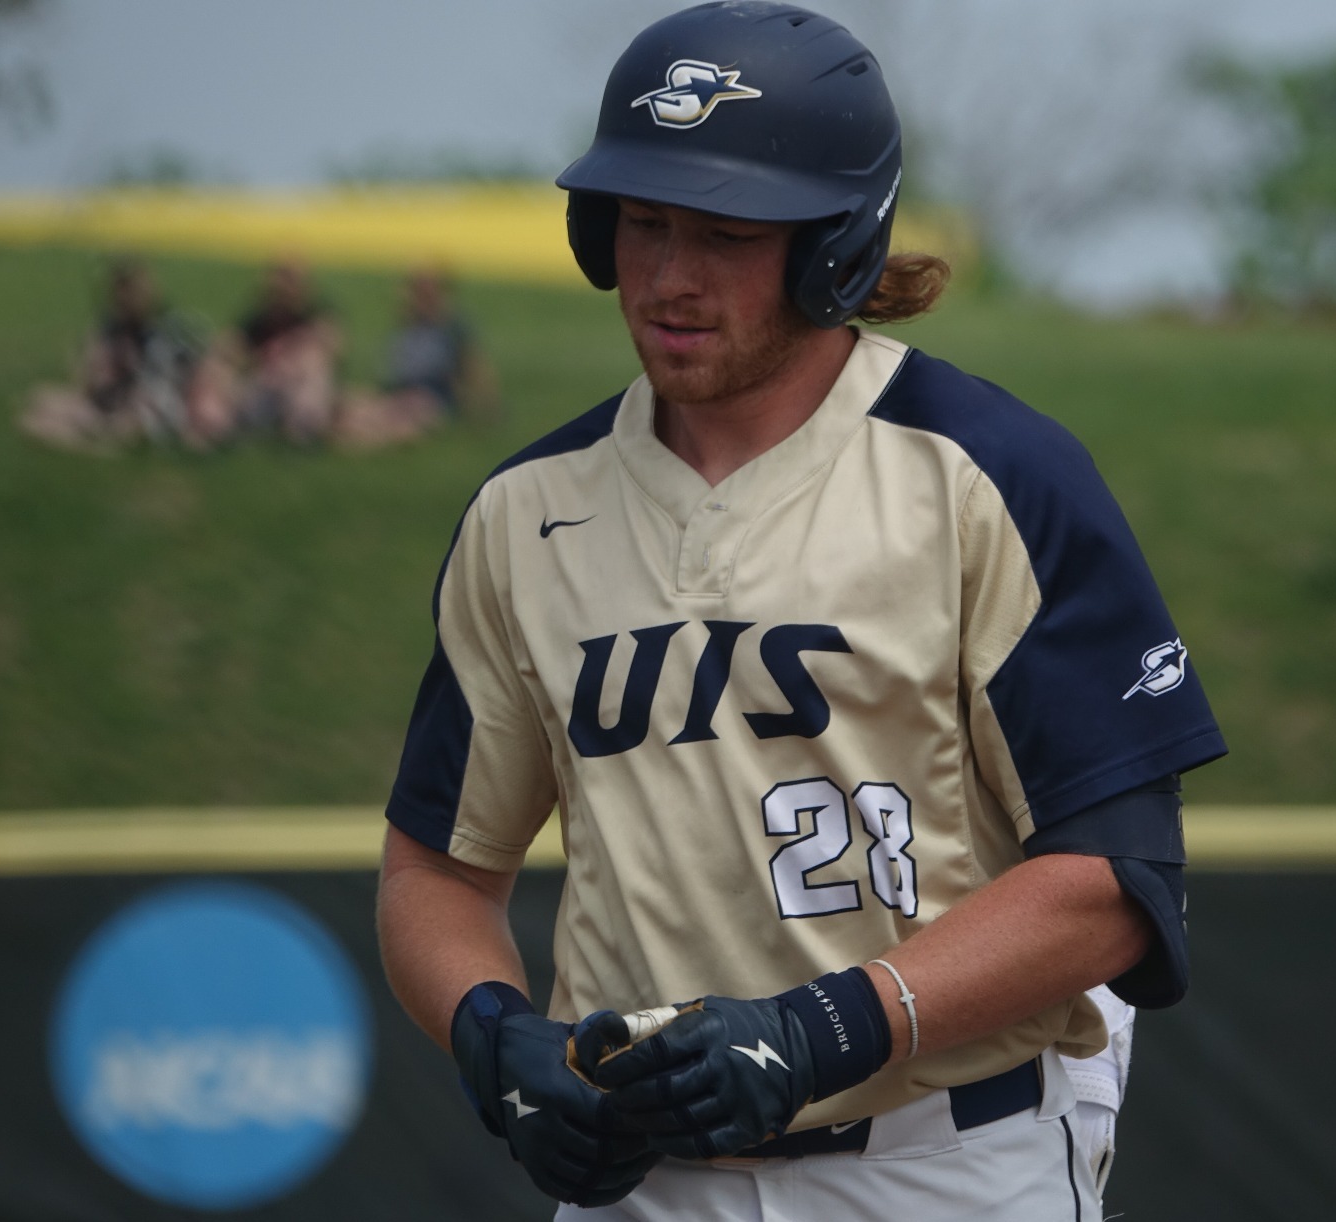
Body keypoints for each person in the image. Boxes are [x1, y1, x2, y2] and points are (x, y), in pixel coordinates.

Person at [375, 5, 1226, 1219]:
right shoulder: (525, 514)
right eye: (643, 220)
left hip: (944, 1163)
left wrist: (825, 1029)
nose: (668, 274)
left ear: (834, 244)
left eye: (723, 232)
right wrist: (490, 1033)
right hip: (644, 1186)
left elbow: (1114, 882)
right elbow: (434, 874)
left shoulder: (985, 473)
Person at [19, 259, 206, 452]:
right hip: (113, 403)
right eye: (121, 289)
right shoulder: (115, 327)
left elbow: (161, 387)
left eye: (132, 289)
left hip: (143, 410)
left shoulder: (164, 329)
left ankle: (93, 445)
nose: (125, 297)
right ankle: (83, 435)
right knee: (37, 401)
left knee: (40, 423)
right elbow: (91, 379)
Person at [334, 267, 498, 450]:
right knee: (351, 403)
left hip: (430, 396)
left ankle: (365, 441)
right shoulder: (408, 325)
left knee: (400, 420)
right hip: (398, 392)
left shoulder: (451, 328)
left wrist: (486, 409)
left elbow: (474, 368)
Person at [190, 259, 342, 446]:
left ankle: (303, 428)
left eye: (290, 280)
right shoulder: (260, 320)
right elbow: (229, 347)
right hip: (264, 390)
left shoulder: (314, 318)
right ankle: (211, 425)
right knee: (217, 373)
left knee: (311, 365)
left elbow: (331, 343)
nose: (284, 288)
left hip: (296, 391)